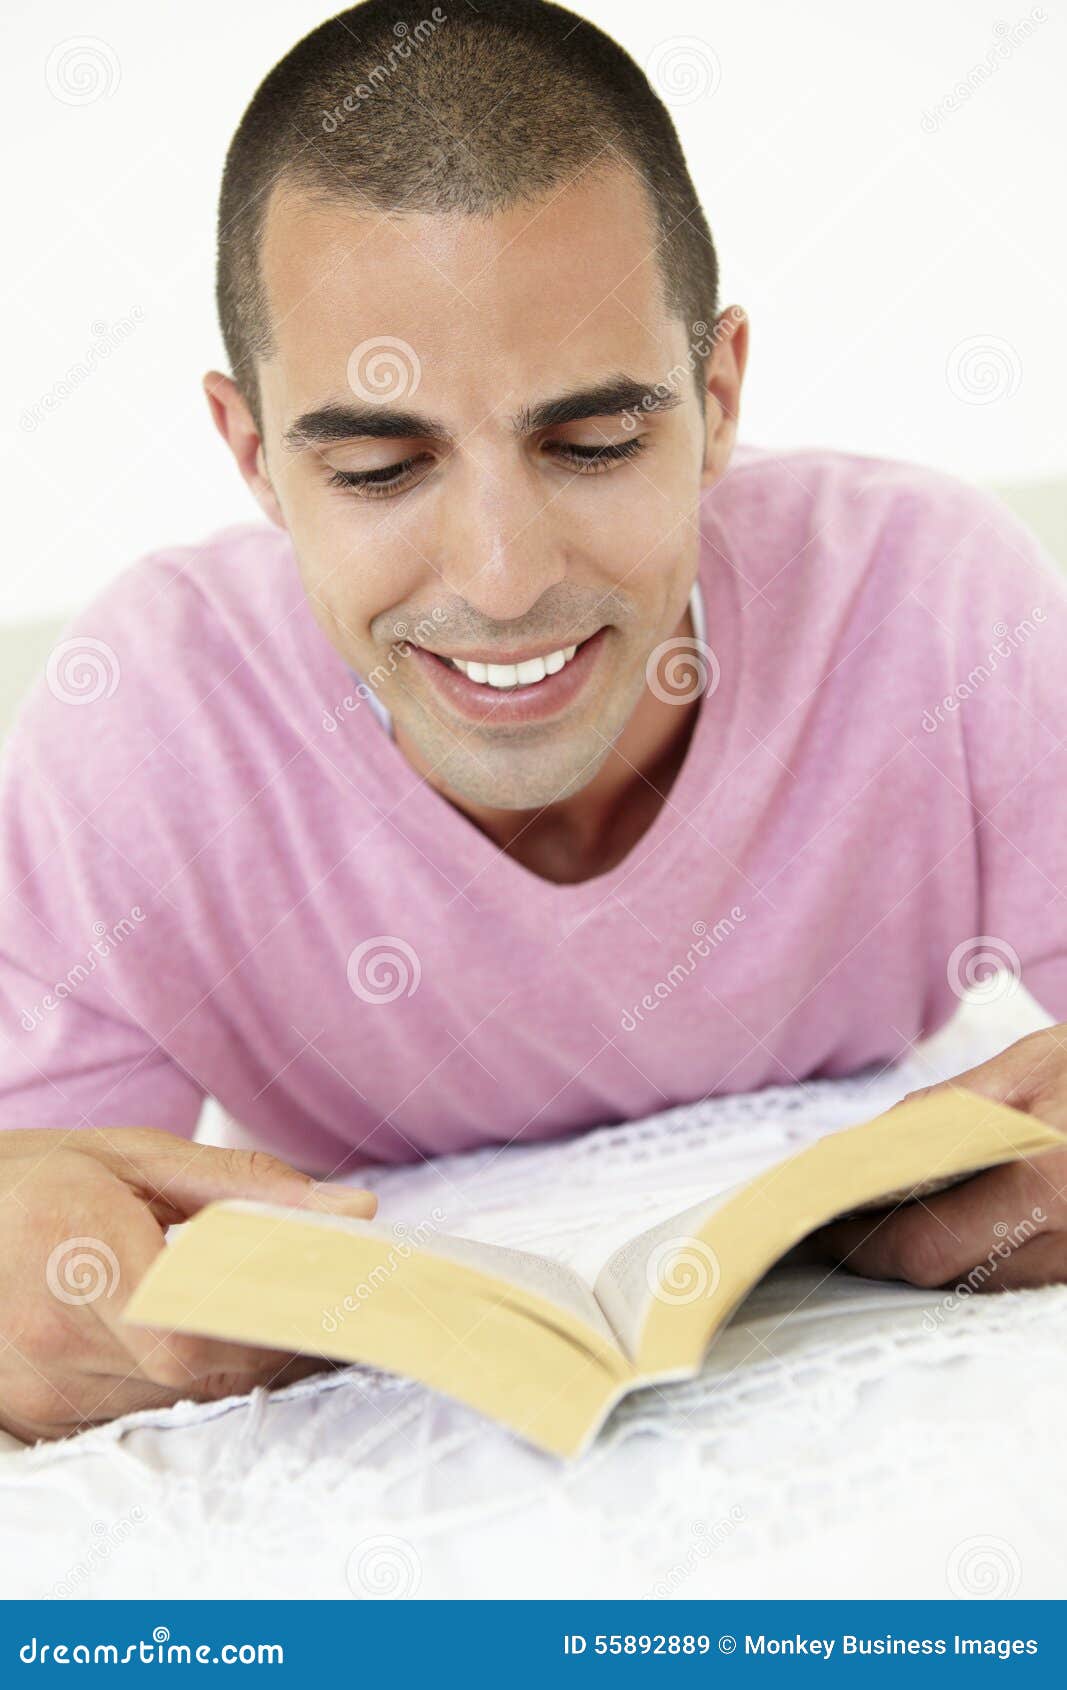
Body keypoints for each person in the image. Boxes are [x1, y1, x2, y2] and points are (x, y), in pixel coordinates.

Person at [2, 0, 1065, 1442]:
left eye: (594, 443)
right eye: (380, 467)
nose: (504, 581)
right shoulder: (139, 730)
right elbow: (38, 1213)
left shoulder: (935, 605)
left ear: (719, 393)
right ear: (252, 455)